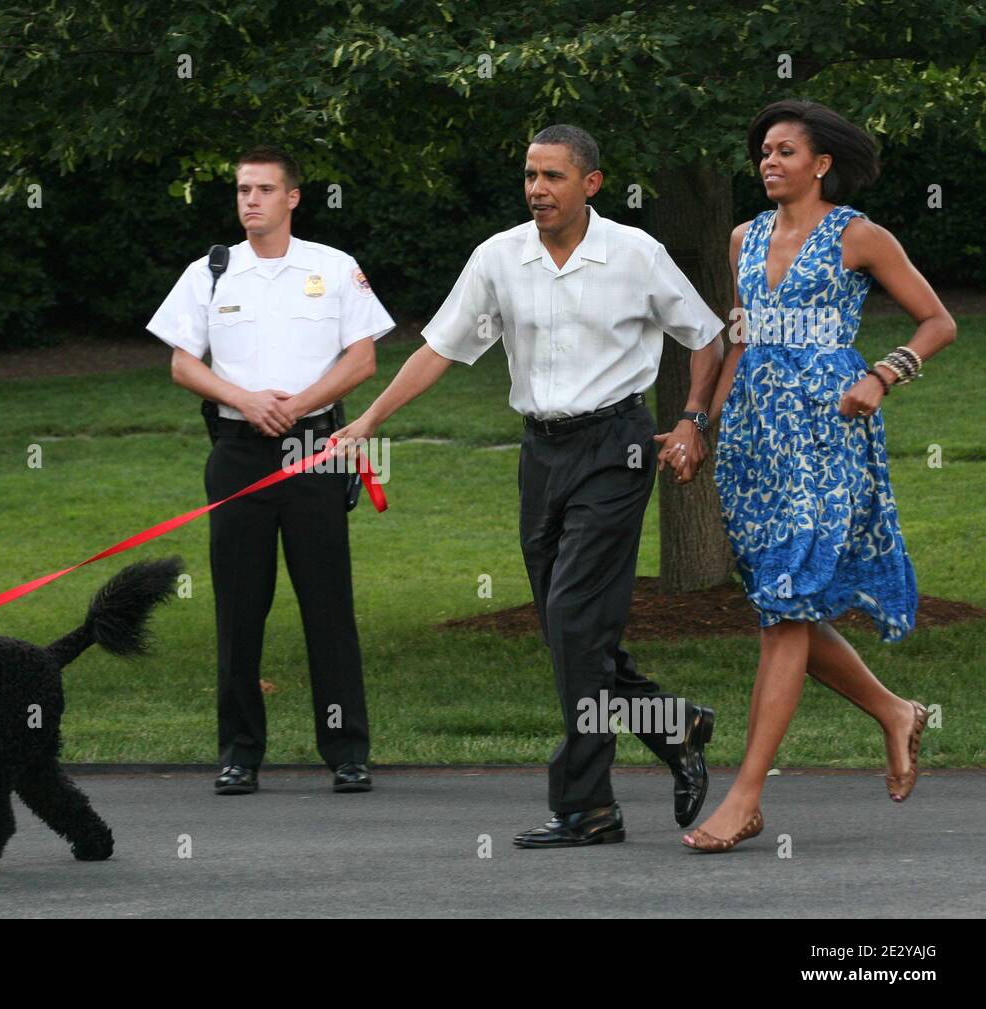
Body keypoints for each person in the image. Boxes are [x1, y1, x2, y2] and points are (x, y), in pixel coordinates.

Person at [333, 125, 726, 847]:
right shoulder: (499, 258)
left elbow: (706, 335)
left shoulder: (635, 254)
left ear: (591, 184)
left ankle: (586, 805)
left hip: (617, 448)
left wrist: (695, 419)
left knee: (575, 620)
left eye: (552, 176)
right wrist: (366, 422)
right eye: (529, 176)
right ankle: (675, 726)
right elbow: (439, 350)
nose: (537, 189)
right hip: (541, 454)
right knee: (567, 631)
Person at [673, 100, 956, 852]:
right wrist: (701, 422)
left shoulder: (859, 235)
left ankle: (745, 796)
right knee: (782, 601)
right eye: (763, 151)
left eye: (785, 151)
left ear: (820, 163)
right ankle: (897, 711)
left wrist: (887, 372)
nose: (769, 161)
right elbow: (740, 338)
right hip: (753, 439)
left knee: (787, 604)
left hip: (827, 430)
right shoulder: (745, 236)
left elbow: (938, 320)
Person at [147, 146, 395, 795]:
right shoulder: (210, 271)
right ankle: (239, 753)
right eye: (241, 189)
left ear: (292, 198)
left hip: (312, 449)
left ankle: (347, 750)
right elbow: (181, 364)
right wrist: (245, 399)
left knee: (327, 605)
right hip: (237, 452)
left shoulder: (333, 267)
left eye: (262, 189)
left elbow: (362, 359)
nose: (249, 200)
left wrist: (298, 405)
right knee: (239, 608)